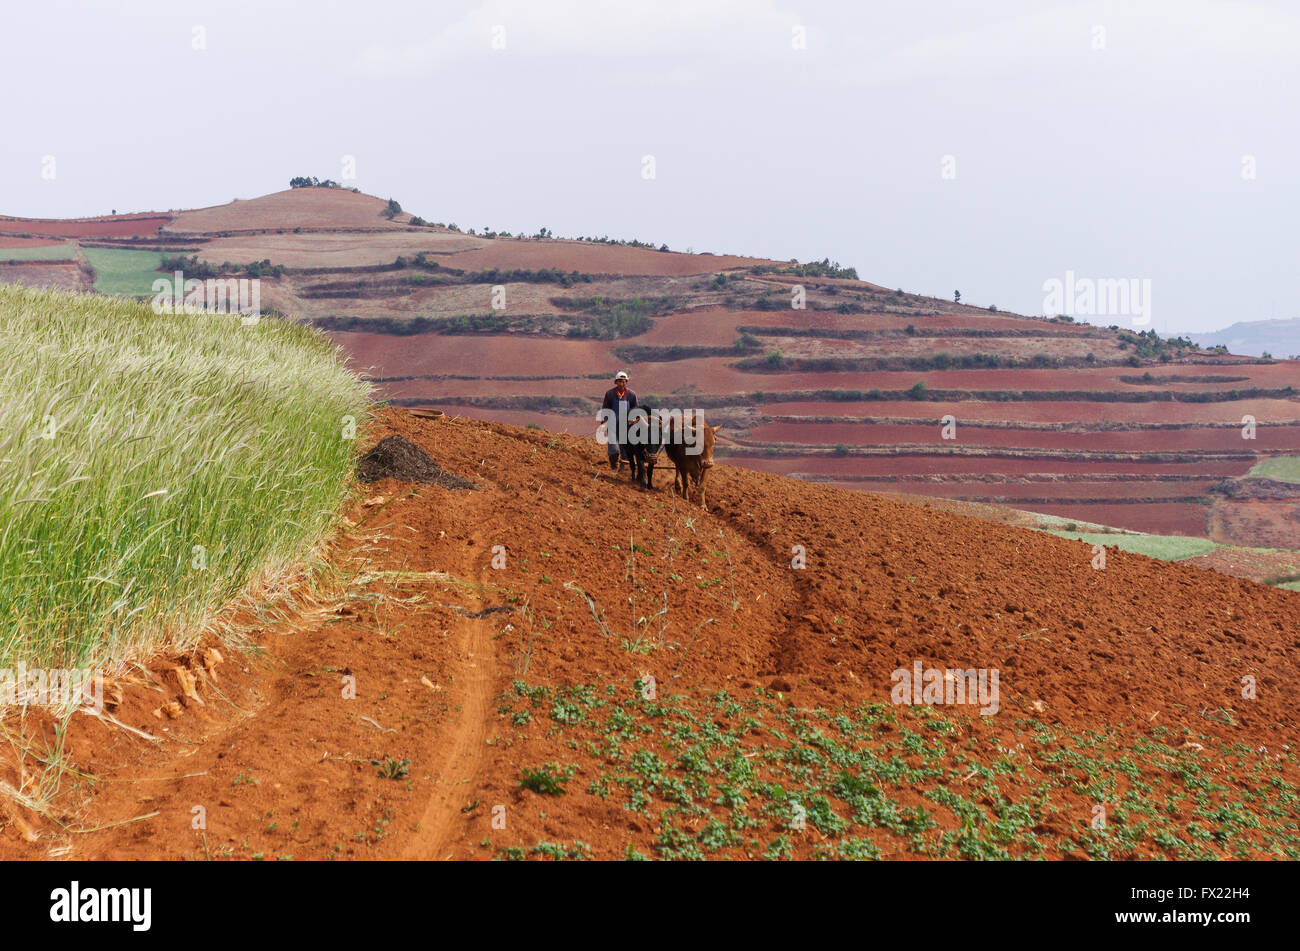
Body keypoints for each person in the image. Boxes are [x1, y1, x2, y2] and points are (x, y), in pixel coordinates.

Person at [598, 371, 643, 482]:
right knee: (614, 449)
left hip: (627, 427)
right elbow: (605, 410)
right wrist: (604, 423)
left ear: (626, 382)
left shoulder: (631, 395)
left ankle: (623, 470)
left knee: (626, 451)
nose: (621, 383)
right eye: (619, 381)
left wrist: (634, 421)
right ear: (616, 382)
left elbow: (636, 410)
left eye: (623, 381)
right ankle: (614, 467)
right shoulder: (610, 394)